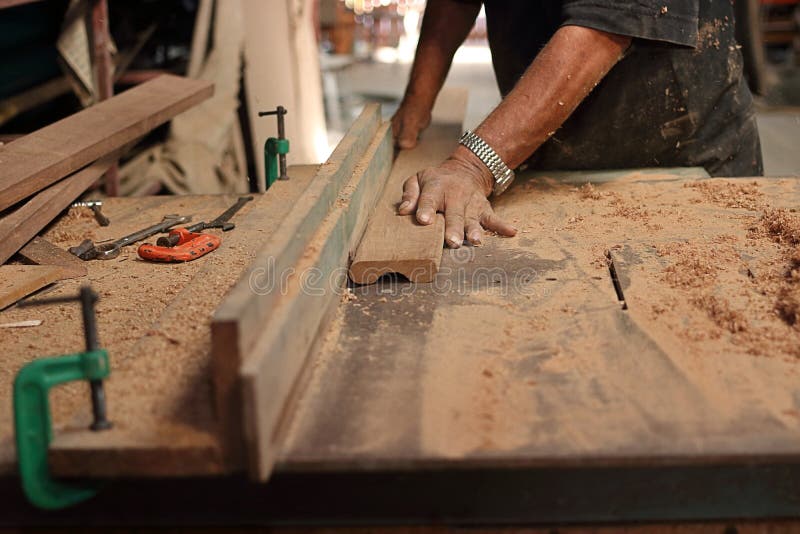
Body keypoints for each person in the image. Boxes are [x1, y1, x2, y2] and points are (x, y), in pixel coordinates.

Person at [392, 0, 763, 249]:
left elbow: (608, 23)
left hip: (685, 159)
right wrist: (417, 103)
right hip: (557, 152)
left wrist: (472, 165)